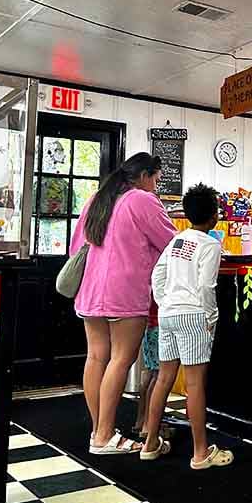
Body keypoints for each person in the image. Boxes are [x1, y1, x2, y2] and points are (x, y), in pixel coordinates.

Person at [70, 152, 176, 454]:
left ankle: (100, 431)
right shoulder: (141, 200)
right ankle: (104, 436)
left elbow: (76, 248)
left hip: (90, 290)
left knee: (95, 358)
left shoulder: (96, 199)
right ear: (144, 176)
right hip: (125, 292)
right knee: (120, 359)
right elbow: (172, 243)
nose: (156, 187)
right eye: (156, 180)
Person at [142, 183, 233, 470]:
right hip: (193, 316)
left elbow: (157, 275)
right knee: (194, 384)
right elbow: (206, 286)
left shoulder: (176, 241)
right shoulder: (210, 245)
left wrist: (165, 302)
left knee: (163, 379)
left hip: (168, 314)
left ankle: (150, 444)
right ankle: (200, 453)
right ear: (214, 216)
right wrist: (211, 317)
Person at [132, 297, 160, 439]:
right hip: (159, 327)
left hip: (149, 326)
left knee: (150, 373)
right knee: (158, 377)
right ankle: (148, 425)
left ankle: (141, 420)